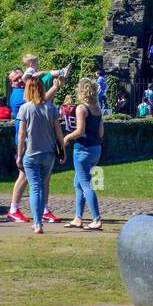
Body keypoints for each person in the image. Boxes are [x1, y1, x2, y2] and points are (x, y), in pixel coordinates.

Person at [7, 57, 62, 224]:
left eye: (19, 76)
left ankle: (43, 208)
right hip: (25, 143)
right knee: (24, 176)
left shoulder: (26, 90)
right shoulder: (18, 96)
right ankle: (14, 208)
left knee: (44, 177)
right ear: (12, 84)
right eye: (14, 79)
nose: (18, 80)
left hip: (37, 140)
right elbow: (41, 102)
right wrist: (55, 87)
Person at [16, 74, 66, 234]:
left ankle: (37, 223)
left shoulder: (25, 108)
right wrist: (63, 151)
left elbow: (22, 134)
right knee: (42, 187)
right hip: (49, 153)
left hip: (31, 153)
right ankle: (39, 220)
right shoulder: (50, 108)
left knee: (35, 188)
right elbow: (59, 133)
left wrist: (19, 155)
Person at [61, 76, 104, 230]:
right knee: (78, 183)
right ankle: (78, 218)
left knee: (86, 185)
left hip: (82, 150)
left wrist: (67, 138)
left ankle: (96, 219)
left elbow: (79, 131)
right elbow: (100, 133)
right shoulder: (97, 109)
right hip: (96, 149)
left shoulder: (81, 108)